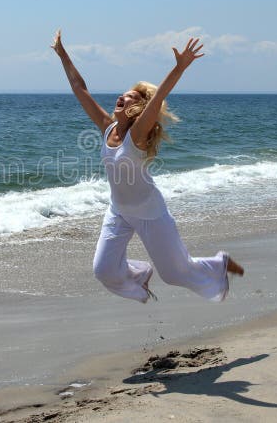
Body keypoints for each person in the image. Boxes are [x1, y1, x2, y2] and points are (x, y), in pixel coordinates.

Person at [51, 29, 244, 304]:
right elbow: (80, 89)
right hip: (119, 211)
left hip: (150, 212)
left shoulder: (137, 135)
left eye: (130, 97)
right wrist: (63, 54)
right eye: (123, 94)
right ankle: (140, 274)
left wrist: (179, 68)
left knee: (175, 275)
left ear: (139, 108)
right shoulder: (108, 128)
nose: (122, 97)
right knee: (103, 270)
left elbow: (158, 98)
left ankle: (219, 263)